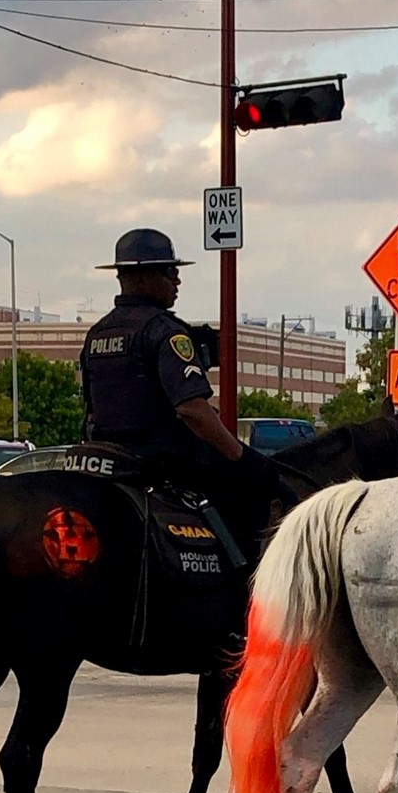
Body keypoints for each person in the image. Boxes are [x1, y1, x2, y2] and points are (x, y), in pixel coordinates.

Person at [78, 228, 297, 563]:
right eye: (170, 271)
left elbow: (92, 412)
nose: (177, 280)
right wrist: (243, 458)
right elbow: (193, 410)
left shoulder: (97, 334)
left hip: (108, 460)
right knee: (269, 491)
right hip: (163, 464)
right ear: (143, 277)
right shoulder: (164, 331)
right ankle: (243, 580)